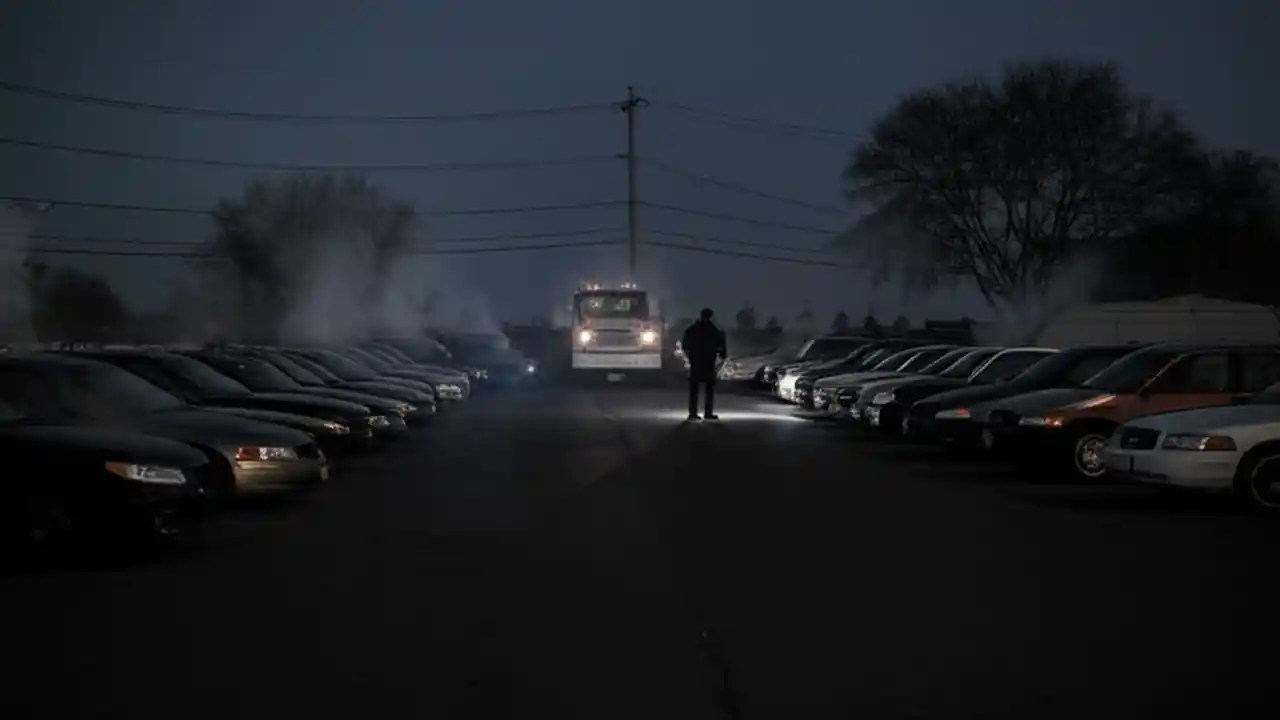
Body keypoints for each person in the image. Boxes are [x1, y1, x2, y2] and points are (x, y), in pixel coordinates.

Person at [681, 307, 727, 420]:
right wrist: (721, 356)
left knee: (694, 389)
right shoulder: (714, 330)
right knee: (709, 389)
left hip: (696, 362)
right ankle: (708, 412)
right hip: (708, 361)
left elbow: (685, 345)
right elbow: (721, 345)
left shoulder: (692, 329)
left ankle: (693, 413)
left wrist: (690, 357)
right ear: (711, 317)